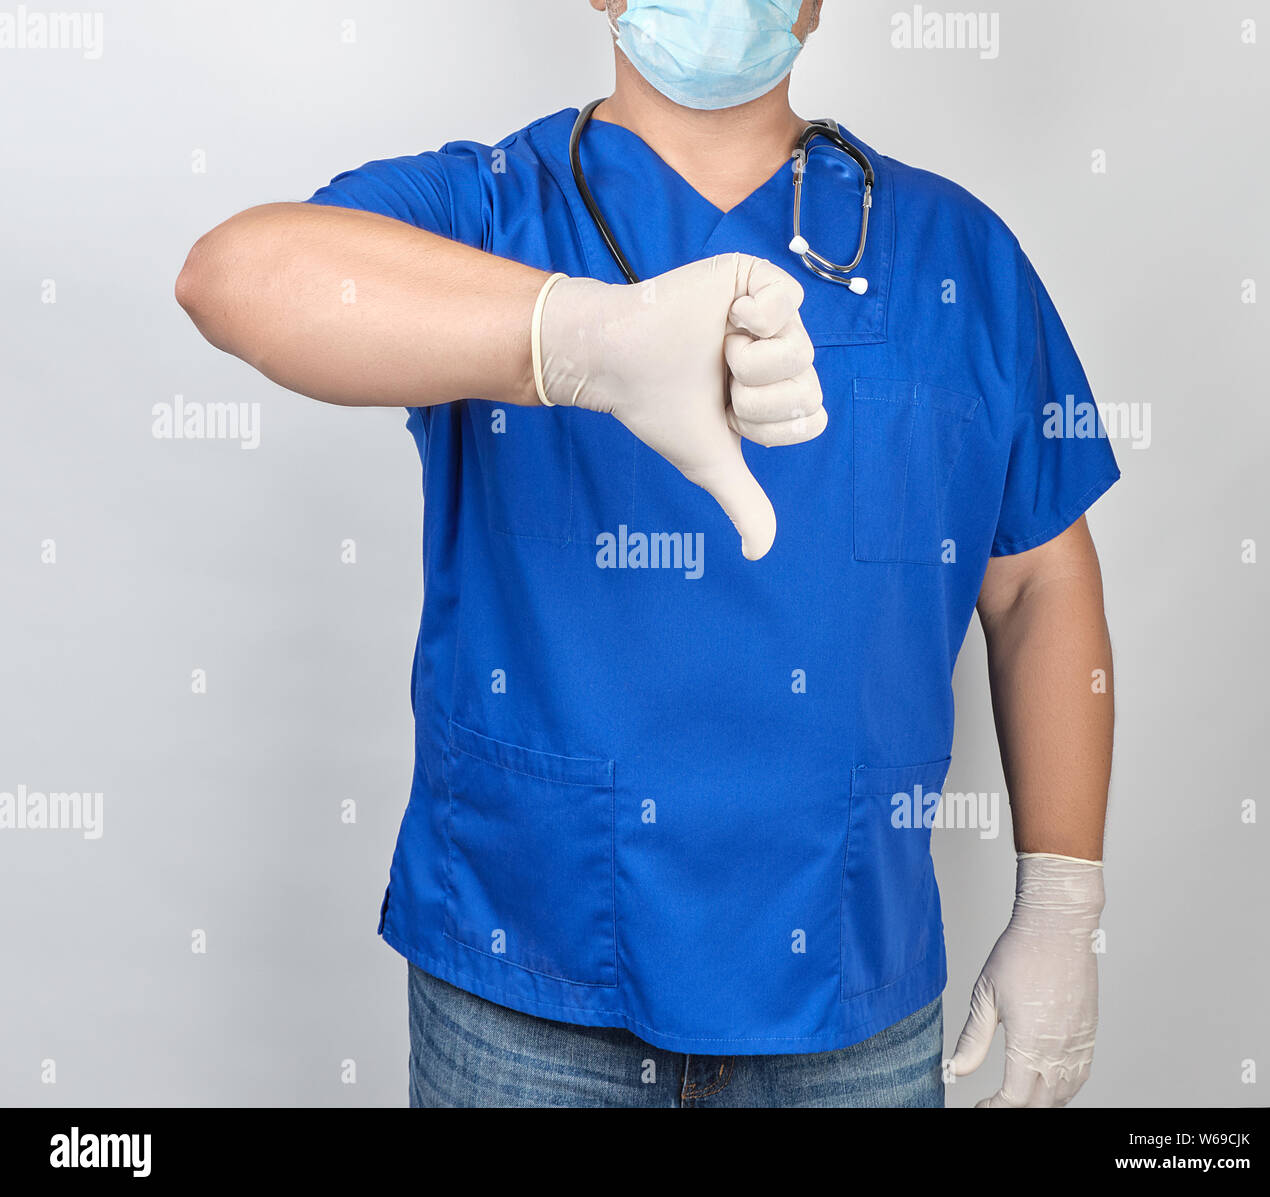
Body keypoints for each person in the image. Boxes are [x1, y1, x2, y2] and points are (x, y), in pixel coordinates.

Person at [175, 0, 1119, 1109]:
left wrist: (1062, 899)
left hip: (844, 998)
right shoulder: (486, 211)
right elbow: (233, 277)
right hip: (527, 987)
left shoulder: (956, 256)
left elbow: (1038, 583)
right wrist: (579, 340)